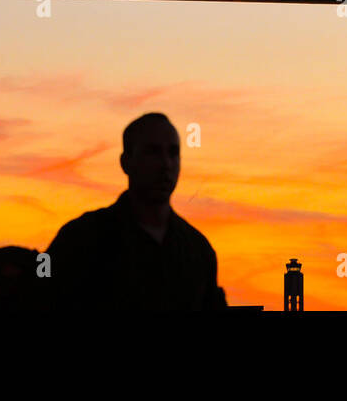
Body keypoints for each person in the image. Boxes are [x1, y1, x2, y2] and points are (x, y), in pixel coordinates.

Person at [43, 113, 227, 310]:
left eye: (173, 153)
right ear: (126, 162)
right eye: (153, 152)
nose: (166, 164)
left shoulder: (197, 251)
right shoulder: (81, 238)